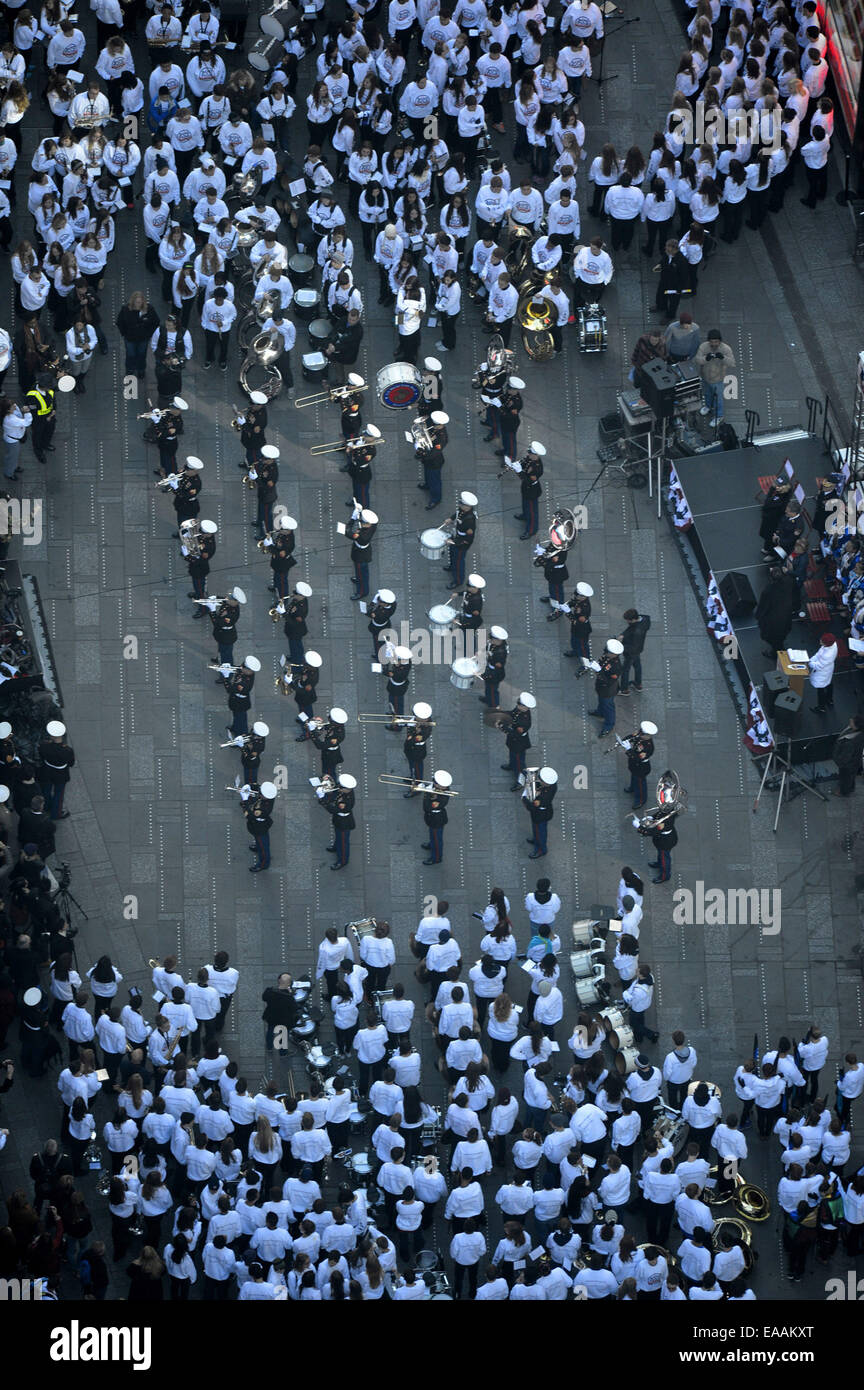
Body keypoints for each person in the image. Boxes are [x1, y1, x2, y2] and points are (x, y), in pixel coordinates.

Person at [694, 329, 735, 422]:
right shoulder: (703, 347)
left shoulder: (726, 349)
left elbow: (732, 363)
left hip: (718, 379)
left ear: (720, 341)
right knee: (707, 394)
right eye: (712, 341)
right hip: (705, 377)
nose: (714, 344)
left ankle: (719, 415)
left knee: (718, 399)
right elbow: (697, 359)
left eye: (716, 341)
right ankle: (708, 406)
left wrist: (723, 357)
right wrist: (705, 358)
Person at [808, 632, 837, 714]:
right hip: (828, 669)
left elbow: (818, 666)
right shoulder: (832, 644)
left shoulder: (827, 655)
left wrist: (809, 663)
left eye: (822, 641)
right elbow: (818, 654)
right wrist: (812, 659)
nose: (820, 641)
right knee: (829, 683)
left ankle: (821, 707)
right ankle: (829, 700)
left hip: (823, 672)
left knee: (820, 689)